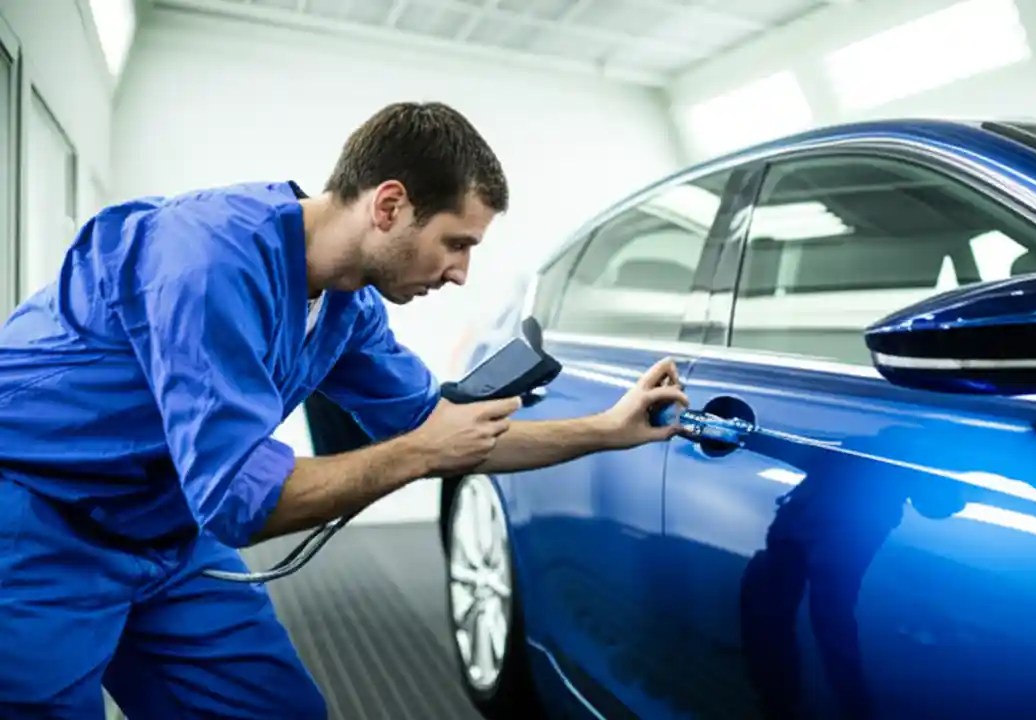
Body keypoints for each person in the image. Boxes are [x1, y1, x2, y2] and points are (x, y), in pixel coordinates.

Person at [0, 100, 689, 719]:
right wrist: (421, 452)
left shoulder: (347, 307)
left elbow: (446, 430)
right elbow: (241, 502)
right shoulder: (205, 257)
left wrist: (609, 430)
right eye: (457, 242)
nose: (460, 273)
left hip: (163, 530)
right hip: (39, 524)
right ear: (389, 206)